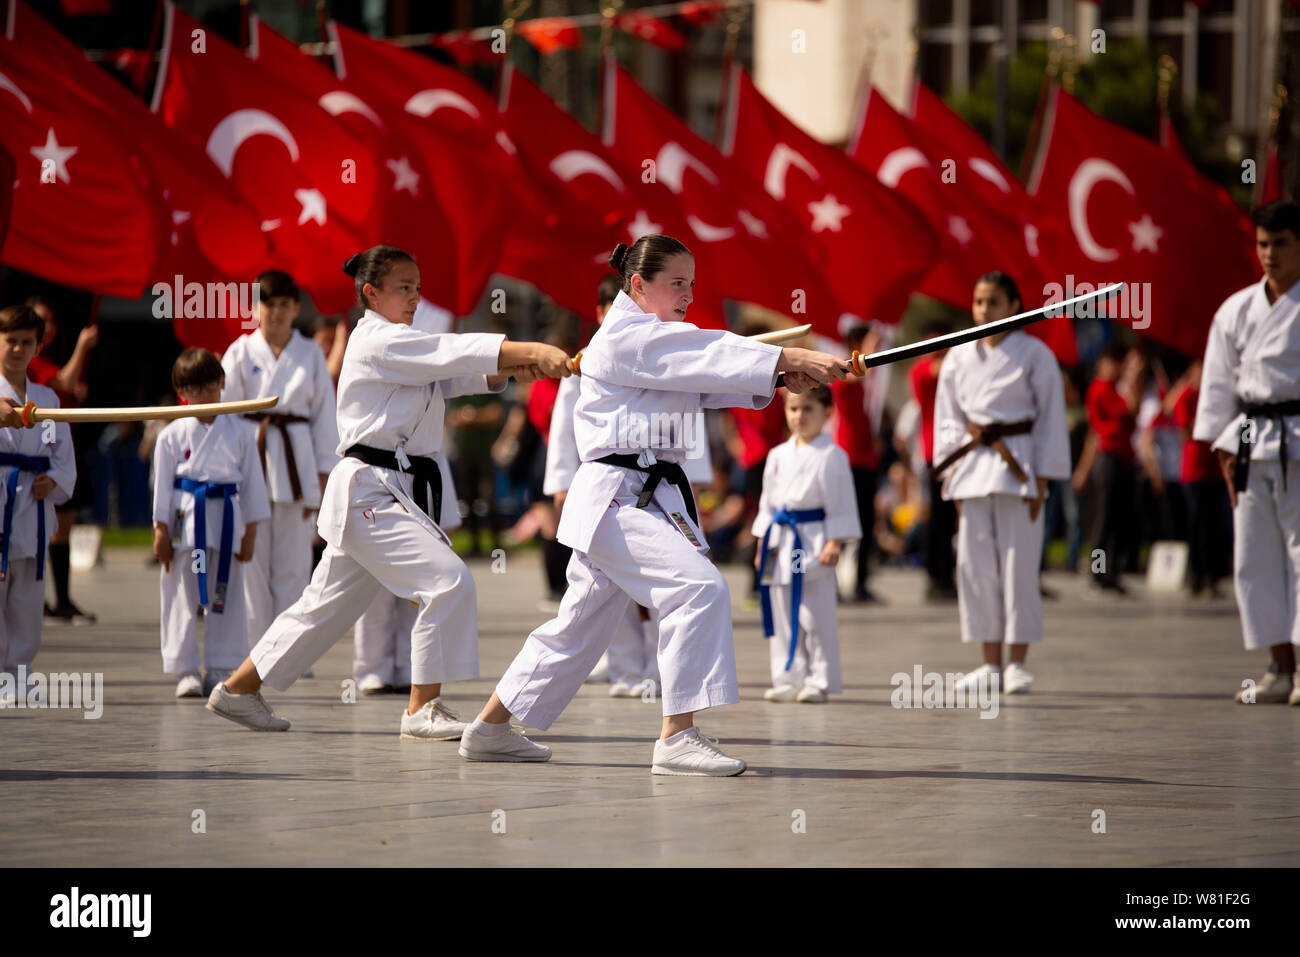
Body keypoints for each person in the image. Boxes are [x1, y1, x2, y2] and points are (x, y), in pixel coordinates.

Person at [457, 234, 850, 776]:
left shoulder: (656, 342)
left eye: (692, 283)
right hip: (616, 500)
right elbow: (705, 354)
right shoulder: (626, 338)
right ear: (638, 285)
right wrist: (790, 356)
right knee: (697, 588)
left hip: (630, 501)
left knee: (577, 629)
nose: (688, 294)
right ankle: (677, 736)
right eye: (677, 284)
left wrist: (783, 375)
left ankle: (490, 728)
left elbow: (705, 376)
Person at [205, 245, 570, 736]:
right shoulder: (376, 340)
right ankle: (422, 708)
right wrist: (529, 351)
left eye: (417, 288)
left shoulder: (401, 344)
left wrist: (508, 370)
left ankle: (237, 690)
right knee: (448, 582)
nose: (414, 298)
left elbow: (450, 373)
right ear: (371, 293)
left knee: (321, 608)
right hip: (369, 492)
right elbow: (450, 352)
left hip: (386, 492)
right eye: (403, 288)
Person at [932, 272, 1070, 694]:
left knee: (1019, 567)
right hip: (972, 465)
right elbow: (947, 420)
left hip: (1019, 464)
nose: (983, 310)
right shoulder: (958, 355)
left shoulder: (1035, 353)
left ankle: (1017, 662)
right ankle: (989, 663)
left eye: (992, 302)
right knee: (975, 568)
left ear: (1014, 305)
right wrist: (952, 477)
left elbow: (1050, 420)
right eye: (977, 302)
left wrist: (1043, 479)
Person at [1192, 199, 1300, 704]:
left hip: (1298, 436)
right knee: (1254, 558)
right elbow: (1217, 387)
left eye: (1280, 243)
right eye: (1262, 244)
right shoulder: (1235, 311)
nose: (1269, 254)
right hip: (1252, 440)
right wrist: (1223, 447)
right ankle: (1279, 665)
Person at [221, 271, 339, 660]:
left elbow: (326, 417)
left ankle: (287, 652)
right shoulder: (239, 352)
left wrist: (323, 475)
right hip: (250, 458)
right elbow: (224, 417)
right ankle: (255, 654)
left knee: (293, 564)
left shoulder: (309, 355)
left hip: (297, 459)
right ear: (257, 309)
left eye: (285, 306)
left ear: (296, 309)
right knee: (252, 563)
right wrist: (228, 470)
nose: (277, 313)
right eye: (269, 305)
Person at [153, 349, 270, 698]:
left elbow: (253, 484)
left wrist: (251, 531)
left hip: (227, 519)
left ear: (222, 383)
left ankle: (221, 664)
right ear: (181, 390)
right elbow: (161, 487)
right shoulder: (171, 435)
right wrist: (160, 529)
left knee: (227, 594)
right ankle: (185, 668)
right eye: (193, 387)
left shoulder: (241, 431)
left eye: (209, 385)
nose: (203, 394)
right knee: (181, 594)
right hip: (185, 522)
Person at [752, 384, 861, 703]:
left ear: (828, 412)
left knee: (815, 614)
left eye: (808, 409)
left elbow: (840, 504)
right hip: (778, 538)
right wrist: (761, 546)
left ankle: (819, 678)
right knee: (781, 609)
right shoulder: (777, 455)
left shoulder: (833, 455)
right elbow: (767, 506)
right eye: (793, 409)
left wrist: (835, 541)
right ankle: (787, 676)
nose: (799, 416)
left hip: (813, 538)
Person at [0, 305, 75, 705]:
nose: (17, 349)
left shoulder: (47, 399)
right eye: (10, 340)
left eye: (26, 342)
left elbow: (64, 456)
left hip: (31, 503)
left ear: (37, 347)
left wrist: (55, 481)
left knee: (27, 596)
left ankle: (20, 674)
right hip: (0, 502)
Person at [27, 296, 99, 625]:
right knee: (42, 527)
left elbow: (64, 388)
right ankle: (44, 598)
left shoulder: (44, 363)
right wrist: (83, 347)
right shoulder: (34, 363)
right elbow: (64, 381)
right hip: (37, 452)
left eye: (49, 322)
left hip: (62, 444)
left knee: (62, 525)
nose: (47, 329)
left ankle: (57, 599)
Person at [831, 323, 885, 603]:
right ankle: (834, 582)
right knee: (841, 520)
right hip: (848, 456)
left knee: (864, 522)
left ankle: (860, 582)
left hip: (865, 457)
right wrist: (869, 349)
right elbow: (858, 375)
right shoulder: (841, 367)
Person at [1084, 340, 1142, 592]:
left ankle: (1111, 571)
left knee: (1118, 519)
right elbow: (1124, 414)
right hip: (1108, 458)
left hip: (1122, 458)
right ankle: (1097, 571)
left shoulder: (1116, 389)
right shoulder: (1100, 388)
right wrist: (1132, 381)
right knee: (1104, 519)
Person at [1170, 360, 1229, 597]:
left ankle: (1213, 575)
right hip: (1194, 469)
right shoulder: (1186, 396)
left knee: (1215, 524)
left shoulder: (1217, 397)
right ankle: (1196, 575)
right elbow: (1185, 428)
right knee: (1197, 524)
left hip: (1214, 467)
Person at [909, 326, 957, 601]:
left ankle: (945, 576)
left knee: (948, 518)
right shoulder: (922, 368)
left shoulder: (947, 364)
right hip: (934, 453)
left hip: (953, 451)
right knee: (938, 518)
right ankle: (934, 577)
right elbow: (938, 369)